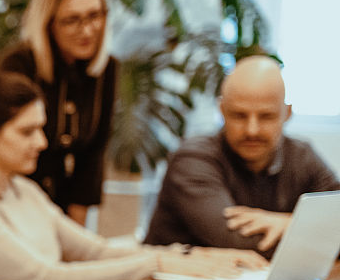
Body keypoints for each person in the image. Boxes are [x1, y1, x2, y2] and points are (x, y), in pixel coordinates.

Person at [0, 73, 265, 280]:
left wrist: (185, 254)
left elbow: (95, 251)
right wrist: (155, 263)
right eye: (27, 131)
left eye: (41, 129)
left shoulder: (24, 191)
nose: (42, 142)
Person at [144, 55, 340, 255]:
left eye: (266, 116)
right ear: (222, 110)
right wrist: (314, 229)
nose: (251, 130)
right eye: (239, 115)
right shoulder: (193, 158)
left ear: (287, 113)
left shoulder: (302, 156)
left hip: (256, 274)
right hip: (171, 274)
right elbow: (235, 241)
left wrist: (289, 223)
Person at [0, 0, 117, 225]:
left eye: (95, 16)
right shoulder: (19, 66)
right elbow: (1, 153)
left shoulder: (106, 70)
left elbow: (91, 158)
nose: (87, 30)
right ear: (49, 23)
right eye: (72, 20)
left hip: (61, 207)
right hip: (12, 204)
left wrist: (75, 236)